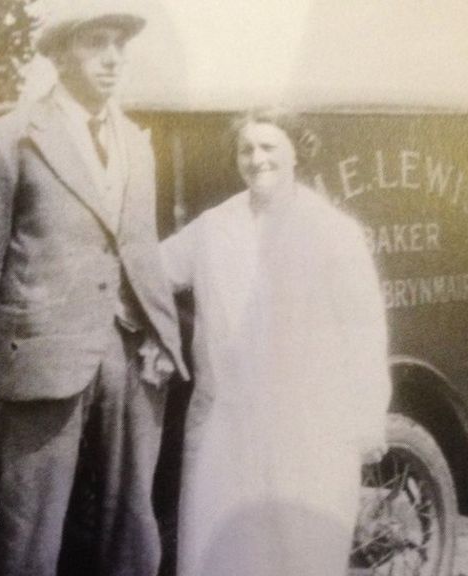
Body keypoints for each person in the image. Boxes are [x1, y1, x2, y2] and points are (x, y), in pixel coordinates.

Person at [0, 2, 186, 575]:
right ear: (58, 56)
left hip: (129, 359)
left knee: (131, 524)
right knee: (31, 530)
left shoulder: (135, 141)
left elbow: (141, 250)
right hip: (44, 359)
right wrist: (27, 335)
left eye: (119, 46)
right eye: (95, 43)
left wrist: (157, 333)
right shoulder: (6, 141)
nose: (111, 58)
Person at [161, 109, 393, 576]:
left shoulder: (332, 231)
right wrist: (155, 335)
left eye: (269, 147)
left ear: (294, 153)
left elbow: (364, 329)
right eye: (247, 149)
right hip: (230, 423)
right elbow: (152, 274)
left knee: (300, 550)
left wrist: (366, 419)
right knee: (224, 550)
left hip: (308, 426)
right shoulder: (213, 227)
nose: (257, 159)